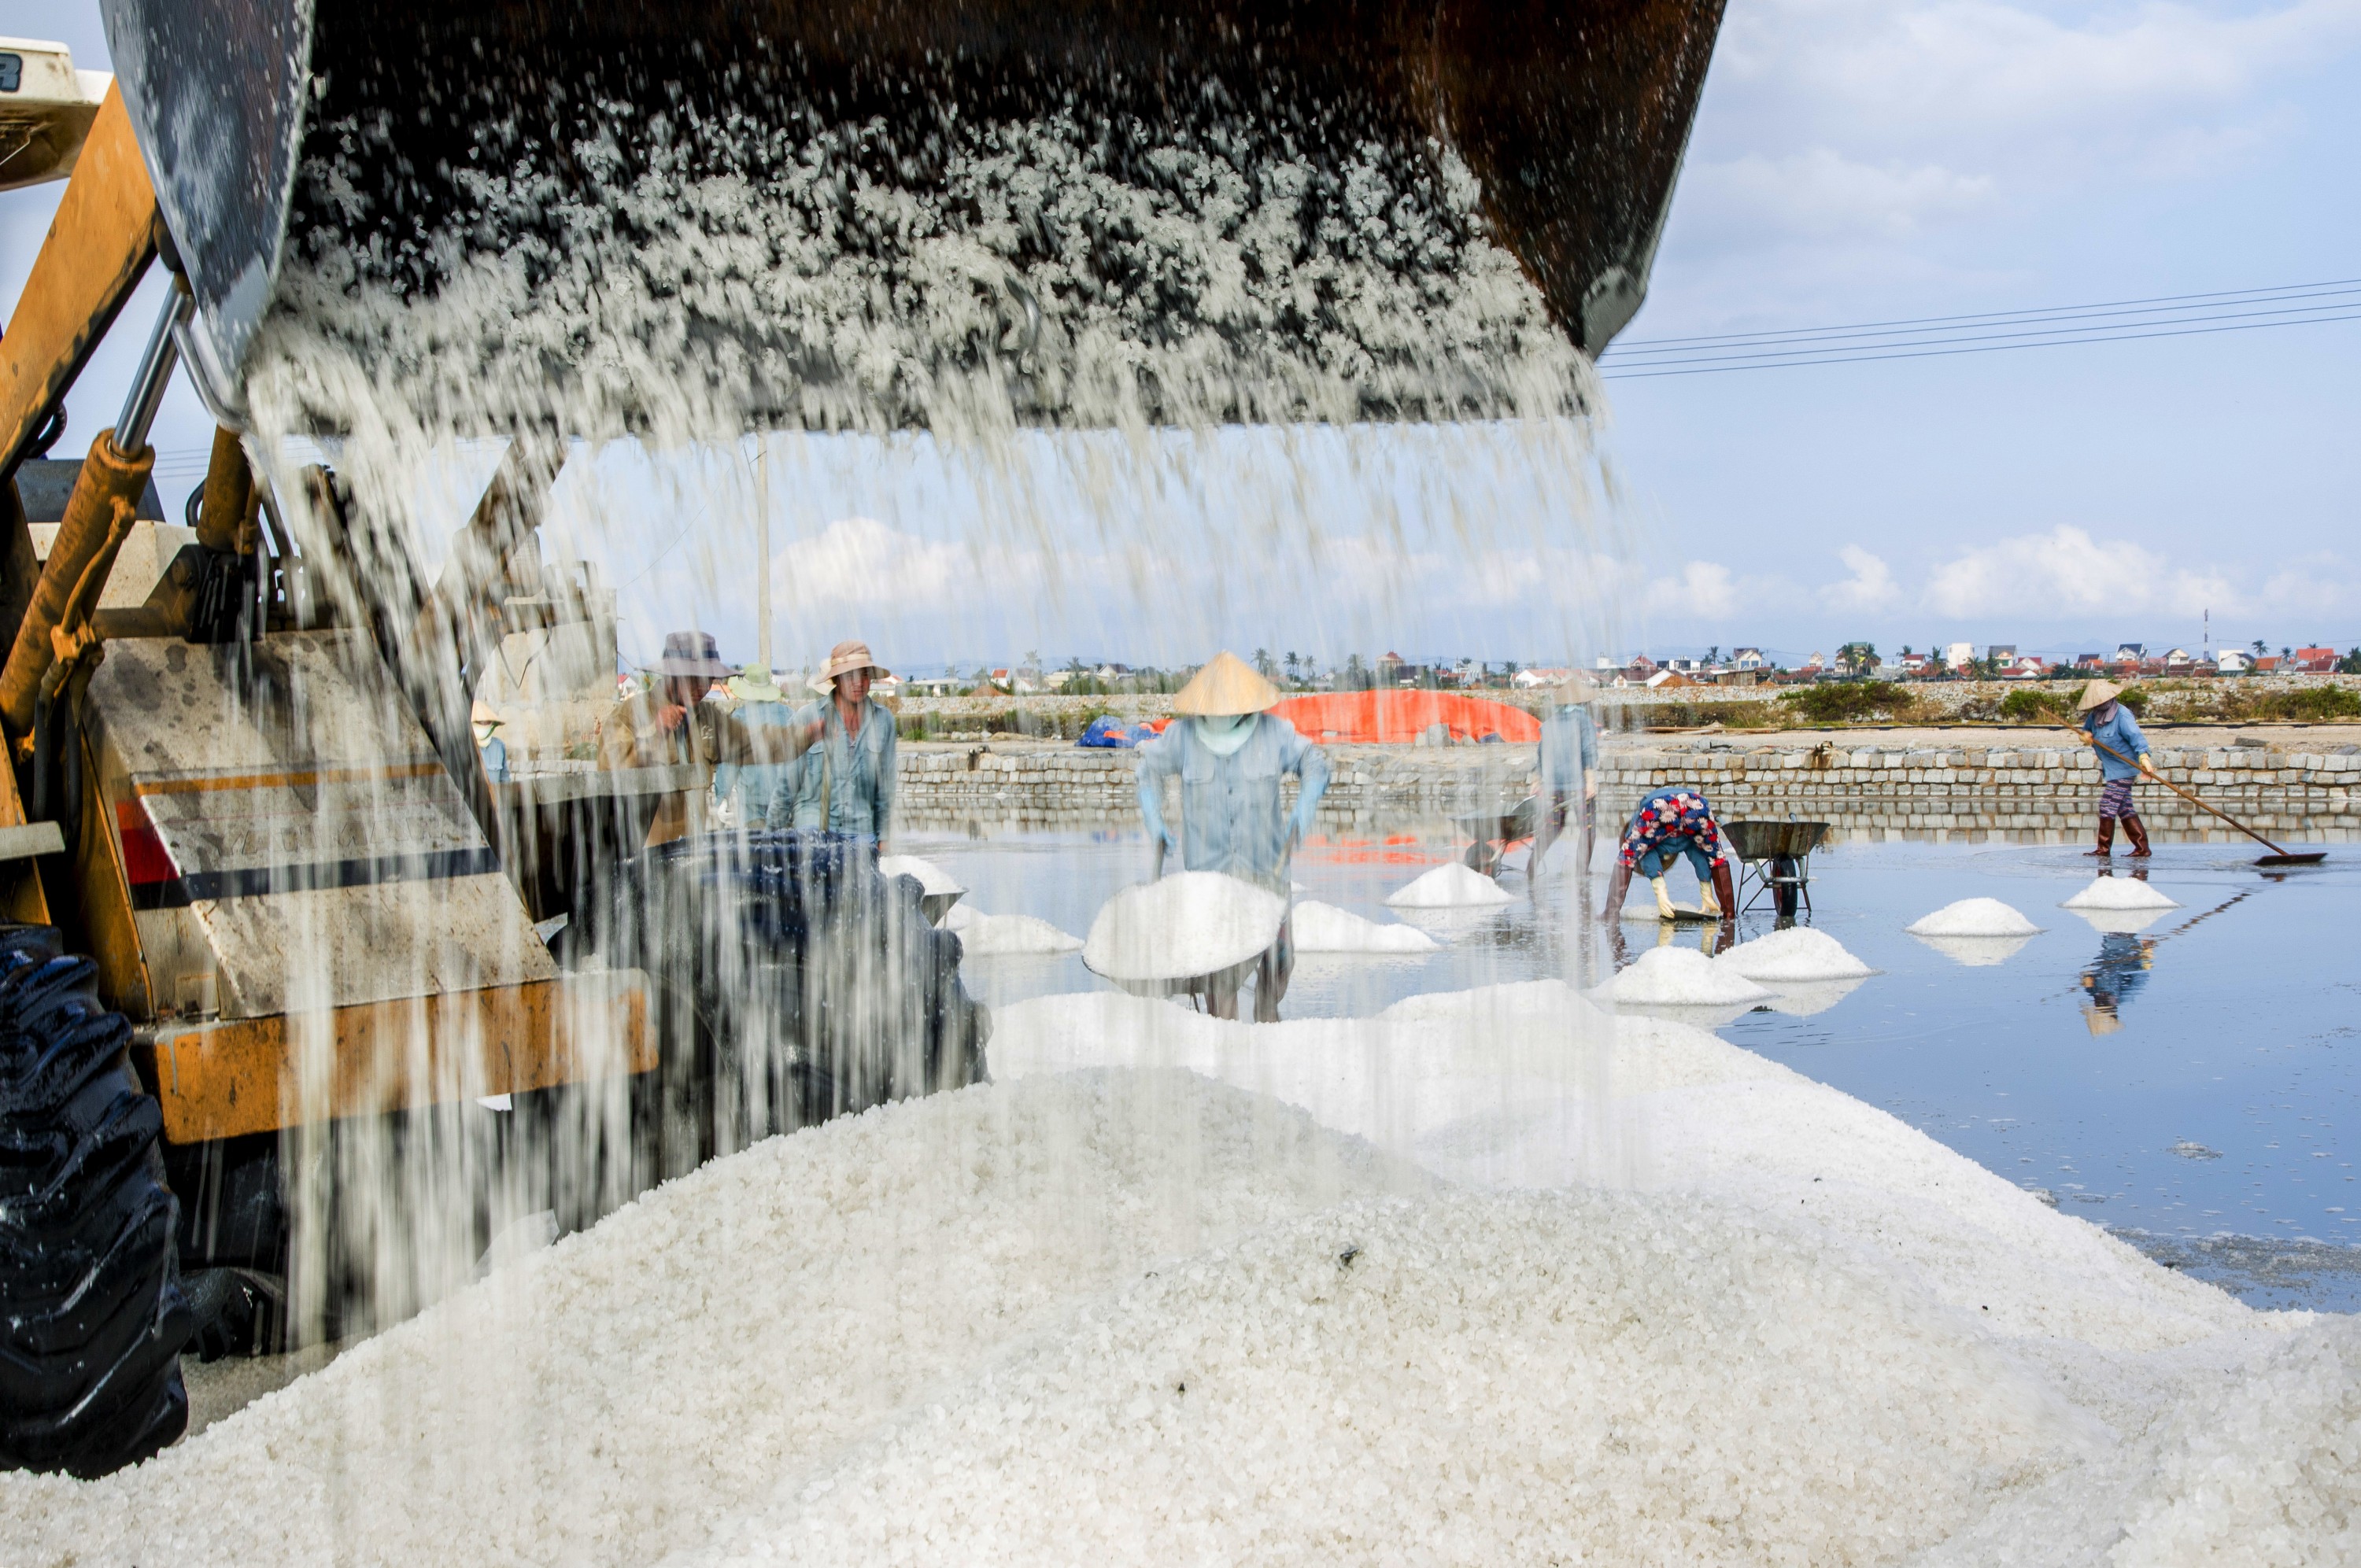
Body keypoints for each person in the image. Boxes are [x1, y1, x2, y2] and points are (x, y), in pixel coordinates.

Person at [1135, 651, 1330, 1022]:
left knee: (1278, 963)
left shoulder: (1274, 734)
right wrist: (1153, 817)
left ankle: (1267, 1017)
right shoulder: (1182, 737)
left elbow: (1314, 763)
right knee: (1219, 977)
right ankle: (1225, 1040)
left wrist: (1304, 808)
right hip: (1209, 885)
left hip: (1266, 876)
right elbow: (1147, 771)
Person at [598, 631, 815, 847]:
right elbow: (610, 771)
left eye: (708, 679)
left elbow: (754, 742)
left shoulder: (708, 719)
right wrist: (655, 734)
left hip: (691, 850)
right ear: (672, 675)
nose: (701, 688)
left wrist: (806, 735)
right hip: (644, 851)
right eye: (694, 679)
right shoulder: (631, 715)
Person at [784, 640, 899, 843]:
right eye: (850, 676)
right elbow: (786, 785)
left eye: (864, 675)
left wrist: (884, 838)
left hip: (862, 832)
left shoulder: (884, 721)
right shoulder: (806, 718)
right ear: (837, 679)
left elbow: (886, 789)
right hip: (813, 830)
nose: (858, 683)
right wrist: (775, 836)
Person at [1600, 784, 1737, 931]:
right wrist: (1706, 888)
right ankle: (1729, 915)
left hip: (1660, 807)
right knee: (1717, 856)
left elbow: (1643, 854)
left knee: (1627, 856)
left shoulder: (1635, 824)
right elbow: (1698, 854)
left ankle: (1610, 914)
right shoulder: (1686, 836)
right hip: (1696, 805)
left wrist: (1661, 892)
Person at [1529, 673, 1599, 884]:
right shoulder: (1584, 721)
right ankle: (1581, 872)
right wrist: (1590, 782)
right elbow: (1588, 751)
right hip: (1578, 785)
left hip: (1553, 786)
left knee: (1553, 827)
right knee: (1587, 828)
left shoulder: (1549, 723)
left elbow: (1541, 755)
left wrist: (1537, 781)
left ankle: (1531, 868)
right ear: (1583, 701)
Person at [715, 665, 804, 828]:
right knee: (783, 843)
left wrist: (722, 797)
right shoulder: (789, 715)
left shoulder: (739, 717)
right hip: (784, 801)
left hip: (751, 803)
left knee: (755, 842)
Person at [2076, 679, 2155, 857]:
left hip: (2125, 768)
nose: (2098, 705)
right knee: (2125, 808)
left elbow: (2136, 737)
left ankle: (2103, 849)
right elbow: (2086, 731)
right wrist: (2085, 736)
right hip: (2111, 769)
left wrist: (2144, 758)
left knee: (2107, 805)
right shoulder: (2095, 716)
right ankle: (2142, 849)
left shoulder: (2122, 714)